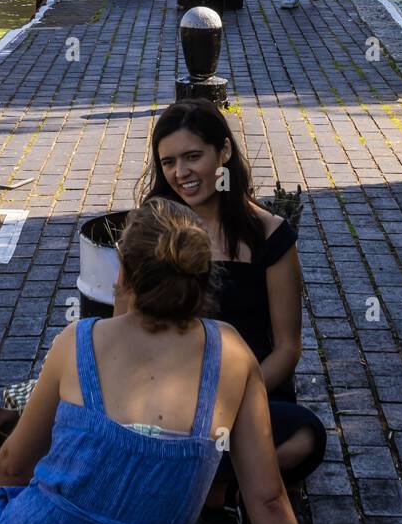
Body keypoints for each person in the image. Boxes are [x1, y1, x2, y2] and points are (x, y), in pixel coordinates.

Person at [0, 200, 308, 524]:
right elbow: (269, 503)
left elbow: (12, 465)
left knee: (17, 488)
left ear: (125, 271)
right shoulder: (233, 353)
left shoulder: (78, 340)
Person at [136, 100, 326, 491]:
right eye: (168, 162)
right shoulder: (153, 230)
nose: (181, 173)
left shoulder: (271, 236)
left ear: (223, 152)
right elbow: (127, 326)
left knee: (306, 436)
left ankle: (196, 487)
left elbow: (288, 349)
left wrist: (230, 397)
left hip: (251, 396)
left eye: (193, 157)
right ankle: (223, 490)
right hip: (170, 396)